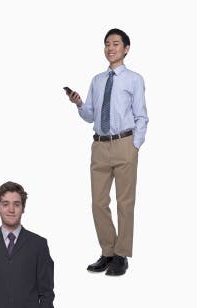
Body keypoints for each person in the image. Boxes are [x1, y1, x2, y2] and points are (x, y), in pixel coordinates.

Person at [66, 28, 148, 276]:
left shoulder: (134, 79)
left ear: (126, 48)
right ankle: (108, 251)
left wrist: (135, 145)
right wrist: (79, 103)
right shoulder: (97, 80)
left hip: (124, 144)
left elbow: (141, 115)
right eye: (106, 44)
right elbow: (90, 114)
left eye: (115, 44)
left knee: (125, 203)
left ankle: (121, 255)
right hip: (99, 146)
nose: (110, 48)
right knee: (98, 203)